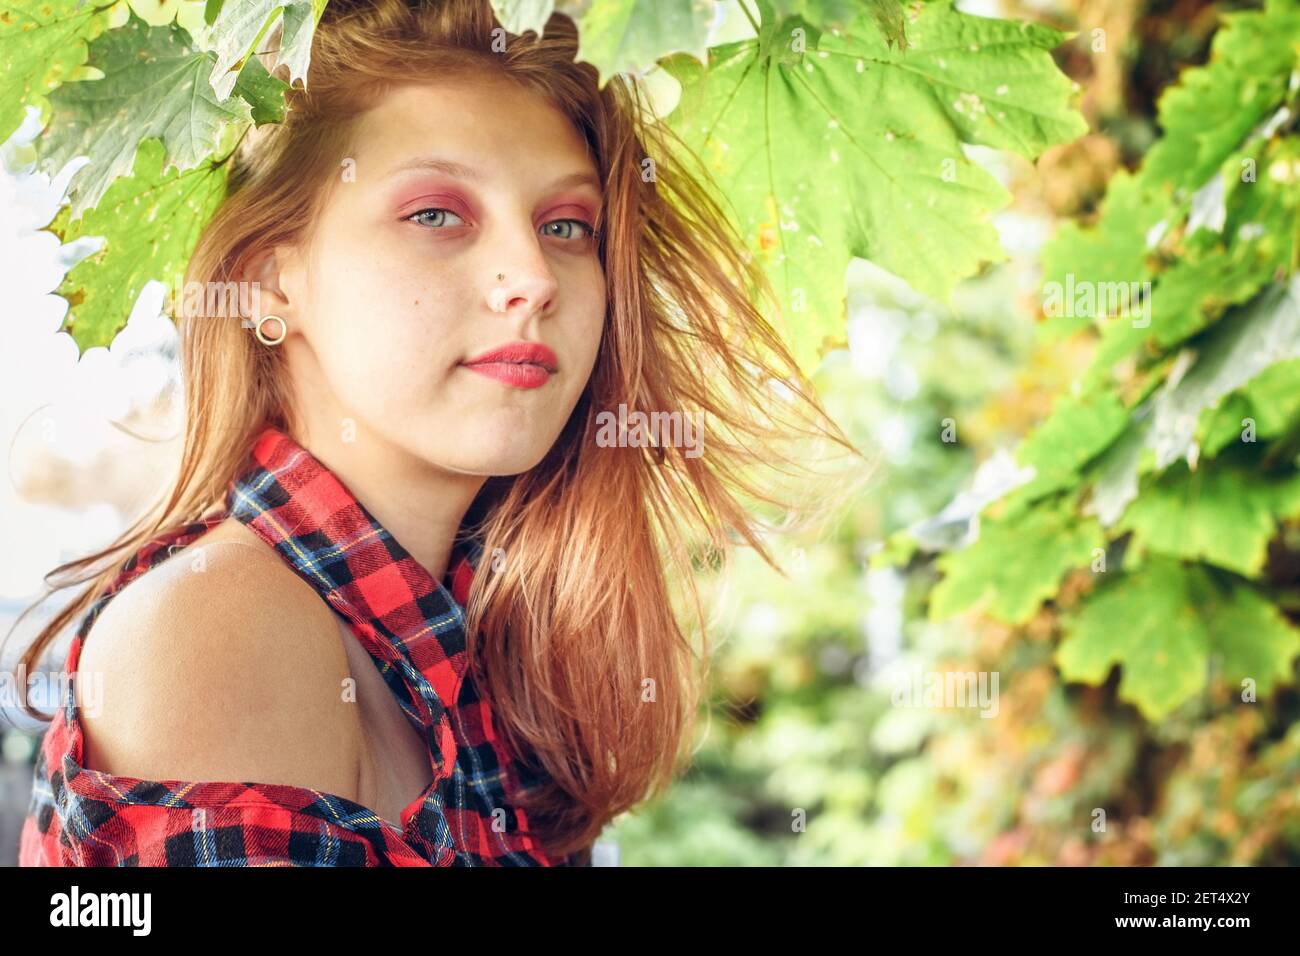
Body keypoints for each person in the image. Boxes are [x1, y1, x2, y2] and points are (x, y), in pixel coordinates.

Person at [10, 0, 865, 866]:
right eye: (436, 215)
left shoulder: (473, 647)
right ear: (270, 284)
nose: (532, 277)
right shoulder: (219, 626)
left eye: (565, 226)